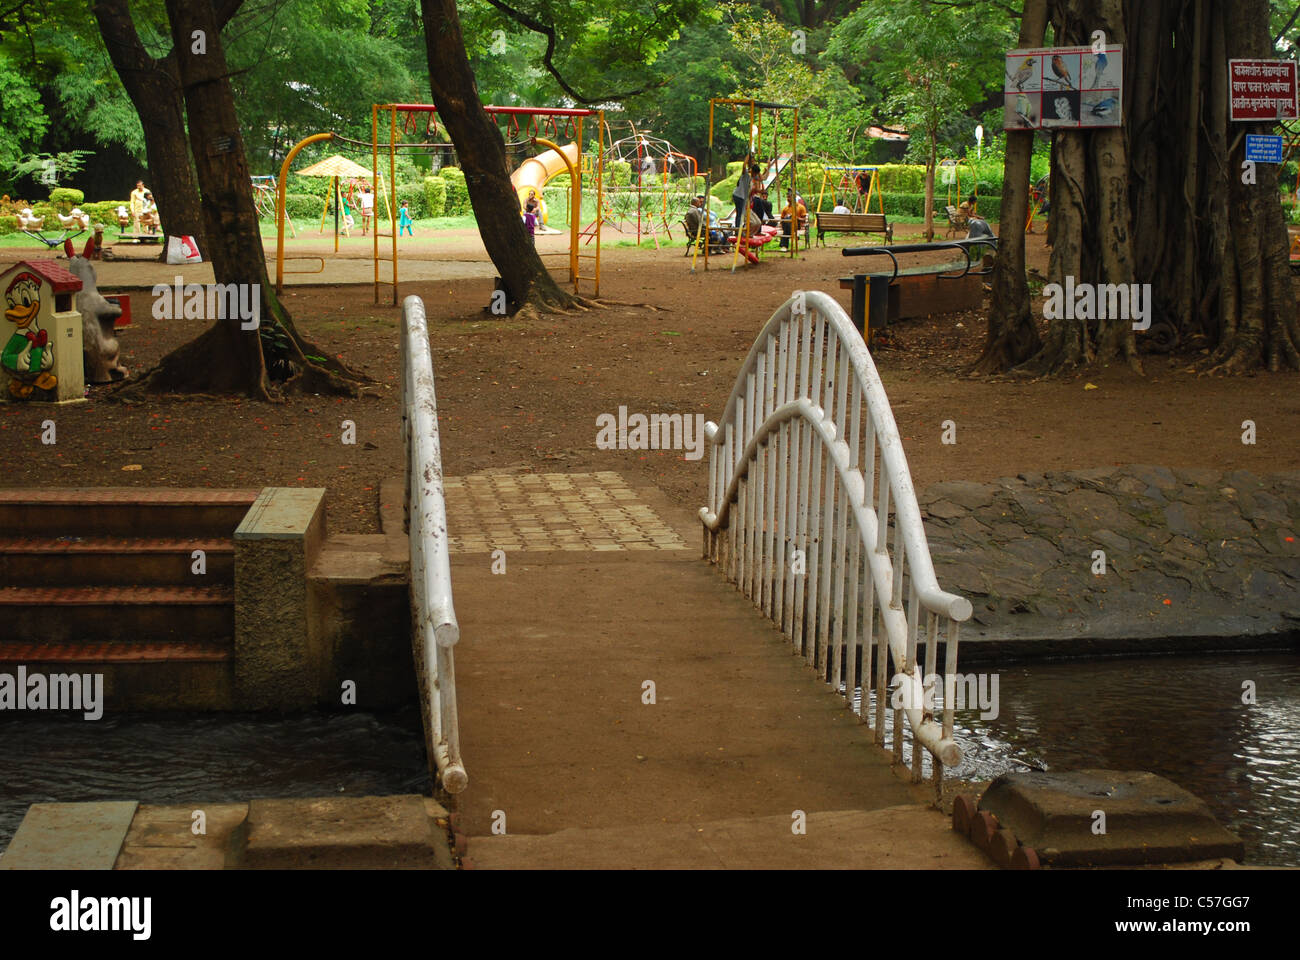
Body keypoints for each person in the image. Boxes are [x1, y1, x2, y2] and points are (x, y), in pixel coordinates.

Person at [732, 157, 756, 237]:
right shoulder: (746, 173)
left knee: (740, 213)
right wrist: (747, 157)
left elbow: (762, 178)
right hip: (739, 195)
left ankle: (738, 230)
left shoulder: (751, 174)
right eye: (752, 161)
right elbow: (744, 165)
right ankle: (738, 230)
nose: (753, 163)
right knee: (740, 214)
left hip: (741, 196)